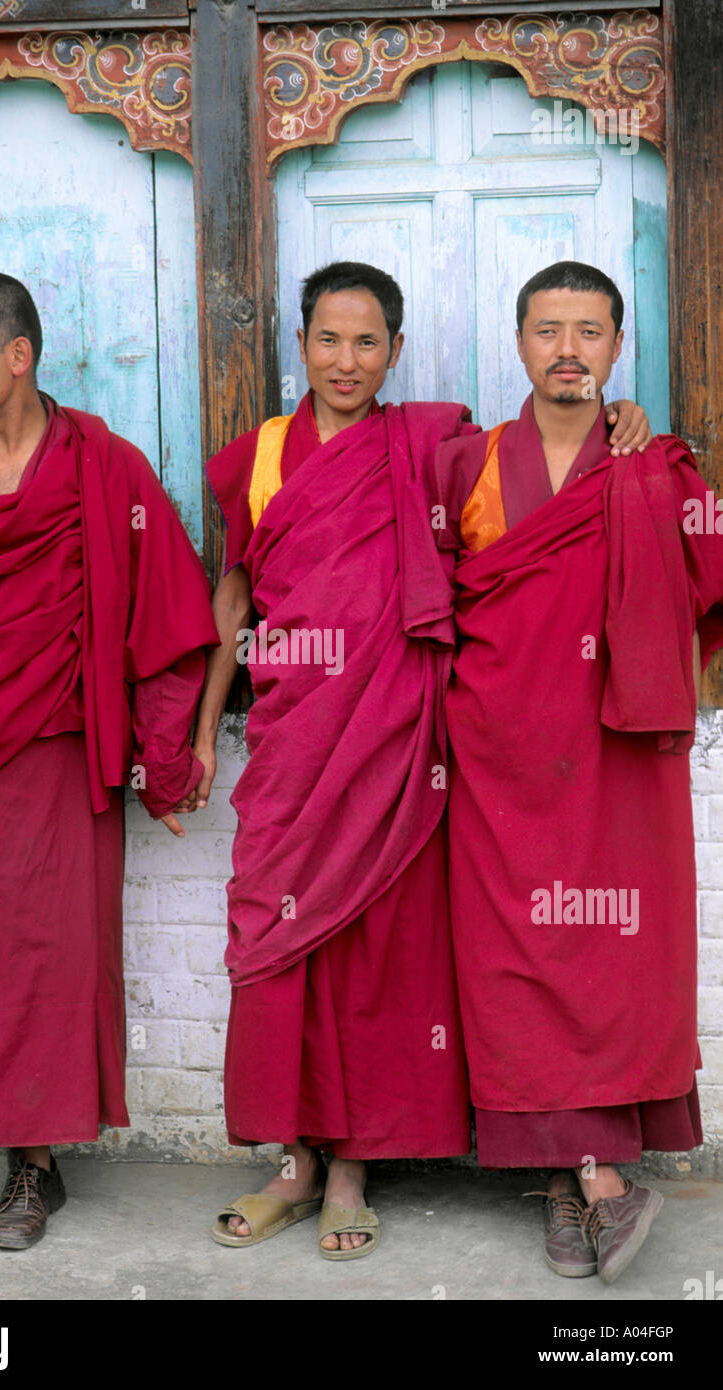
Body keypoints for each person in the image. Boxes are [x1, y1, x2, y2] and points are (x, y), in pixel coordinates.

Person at [194, 260, 650, 1258]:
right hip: (290, 741)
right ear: (298, 347)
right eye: (326, 339)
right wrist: (197, 735)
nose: (345, 360)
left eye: (367, 343)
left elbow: (531, 491)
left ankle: (353, 1167)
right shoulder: (256, 457)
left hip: (395, 737)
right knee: (277, 945)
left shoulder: (428, 447)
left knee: (373, 956)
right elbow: (233, 602)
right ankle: (293, 1163)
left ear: (396, 352)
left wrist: (631, 421)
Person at [0, 271, 218, 1255]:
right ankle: (11, 1163)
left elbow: (170, 621)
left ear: (16, 357)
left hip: (61, 759)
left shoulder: (103, 468)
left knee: (53, 962)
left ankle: (1, 1161)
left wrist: (161, 759)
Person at [435, 260, 723, 1284]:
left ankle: (592, 1170)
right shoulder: (465, 463)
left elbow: (705, 577)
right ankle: (564, 1175)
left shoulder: (655, 464)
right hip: (497, 754)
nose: (568, 348)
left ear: (615, 346)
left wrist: (673, 681)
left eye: (588, 331)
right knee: (515, 957)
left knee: (611, 956)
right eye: (547, 328)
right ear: (518, 342)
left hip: (615, 755)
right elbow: (430, 601)